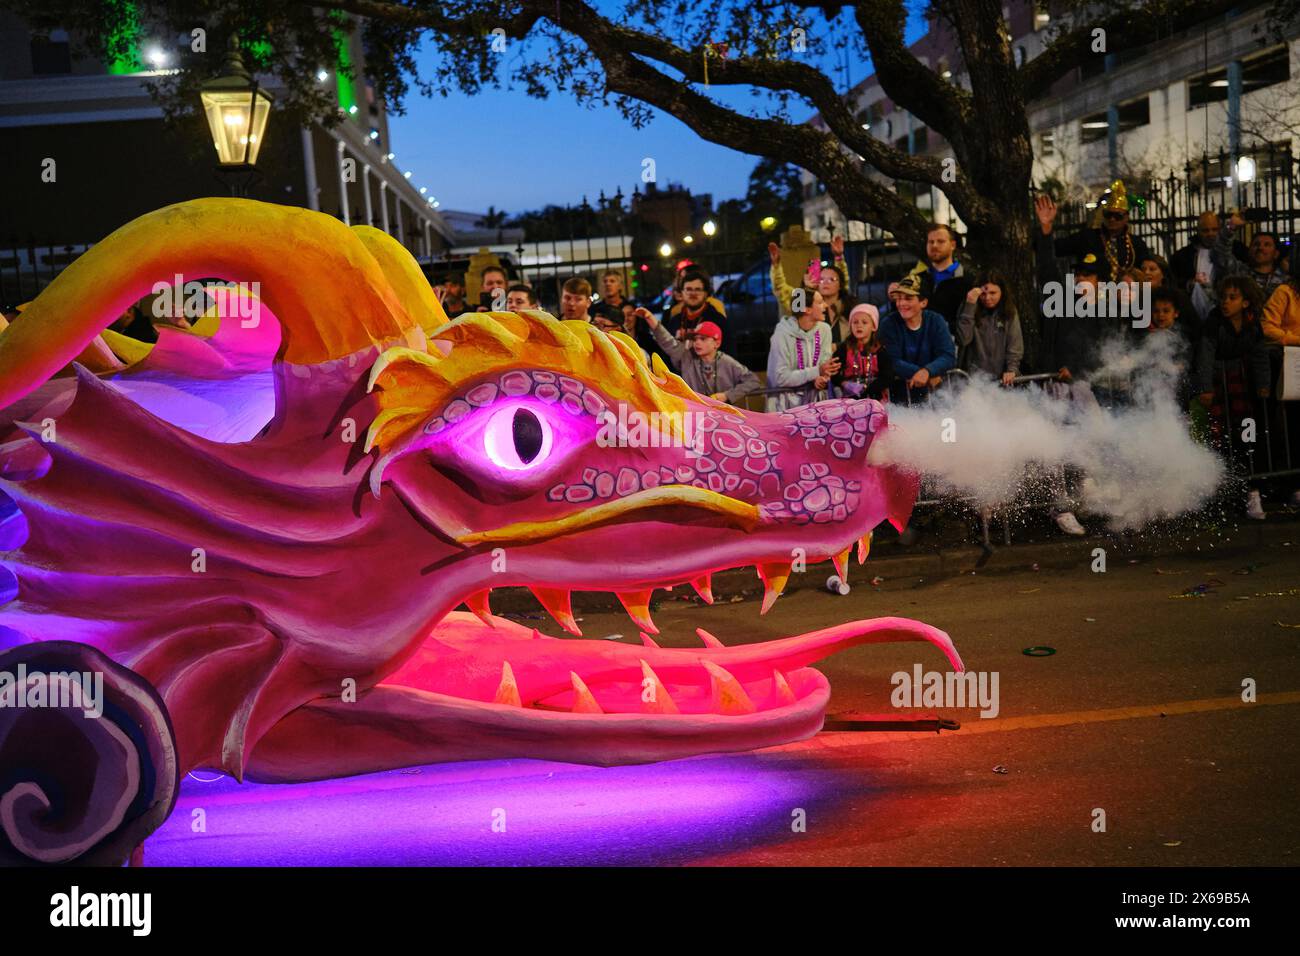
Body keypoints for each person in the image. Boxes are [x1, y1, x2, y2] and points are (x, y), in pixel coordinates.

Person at [1194, 276, 1273, 519]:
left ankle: (1252, 493)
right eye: (1223, 298)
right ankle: (1226, 493)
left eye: (1232, 298)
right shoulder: (1214, 323)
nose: (1225, 303)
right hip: (1221, 386)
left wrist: (1263, 384)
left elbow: (1260, 354)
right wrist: (1206, 387)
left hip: (1243, 386)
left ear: (1246, 303)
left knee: (1247, 438)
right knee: (1221, 438)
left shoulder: (1252, 324)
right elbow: (1205, 356)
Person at [640, 310, 760, 405]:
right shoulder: (687, 356)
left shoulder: (727, 362)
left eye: (702, 339)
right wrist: (651, 319)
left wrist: (727, 395)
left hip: (723, 418)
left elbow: (753, 380)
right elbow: (668, 342)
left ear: (716, 343)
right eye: (695, 339)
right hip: (695, 417)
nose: (697, 343)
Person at [878, 273, 956, 404]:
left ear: (923, 302)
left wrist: (927, 371)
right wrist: (925, 373)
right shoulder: (888, 323)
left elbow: (948, 355)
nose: (901, 303)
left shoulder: (935, 320)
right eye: (899, 298)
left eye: (908, 298)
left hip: (936, 397)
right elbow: (891, 360)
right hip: (900, 399)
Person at [1052, 180, 1151, 282]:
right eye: (1108, 215)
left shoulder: (1136, 244)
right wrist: (1045, 231)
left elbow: (1145, 273)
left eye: (1117, 216)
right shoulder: (1087, 237)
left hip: (1125, 295)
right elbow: (1055, 249)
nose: (1112, 219)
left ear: (1126, 217)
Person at [768, 236, 854, 343]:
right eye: (821, 279)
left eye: (831, 279)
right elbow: (780, 288)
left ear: (840, 284)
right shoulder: (805, 304)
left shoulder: (848, 306)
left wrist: (839, 257)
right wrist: (776, 265)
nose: (826, 282)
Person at [766, 287, 837, 413]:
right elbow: (781, 377)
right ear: (807, 309)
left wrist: (822, 378)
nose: (825, 305)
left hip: (815, 406)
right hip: (785, 408)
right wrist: (816, 372)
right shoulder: (782, 335)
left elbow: (824, 366)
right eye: (820, 302)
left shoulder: (825, 329)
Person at [906, 223, 974, 337]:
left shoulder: (966, 281)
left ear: (952, 245)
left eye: (940, 241)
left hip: (951, 347)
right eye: (931, 242)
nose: (934, 245)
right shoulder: (918, 279)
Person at [955, 274, 1023, 385]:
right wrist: (970, 304)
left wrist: (1012, 369)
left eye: (993, 293)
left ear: (1002, 292)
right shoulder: (968, 307)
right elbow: (963, 339)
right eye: (983, 294)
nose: (987, 298)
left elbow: (1015, 344)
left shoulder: (1009, 312)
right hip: (972, 381)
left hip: (1002, 380)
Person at [1214, 212, 1289, 300]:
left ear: (1276, 254)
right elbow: (1221, 253)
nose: (1260, 248)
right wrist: (1231, 226)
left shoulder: (1286, 280)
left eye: (1267, 245)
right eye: (1256, 244)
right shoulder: (1238, 273)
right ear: (1249, 250)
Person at [831, 303, 893, 400]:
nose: (859, 326)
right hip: (850, 400)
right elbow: (834, 373)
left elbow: (888, 376)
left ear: (874, 327)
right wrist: (845, 384)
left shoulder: (880, 349)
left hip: (876, 399)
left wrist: (867, 389)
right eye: (855, 322)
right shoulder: (843, 348)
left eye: (864, 322)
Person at [669, 269, 726, 341]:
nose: (693, 293)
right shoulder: (675, 321)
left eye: (698, 289)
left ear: (705, 293)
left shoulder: (718, 320)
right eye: (688, 289)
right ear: (682, 292)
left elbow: (728, 350)